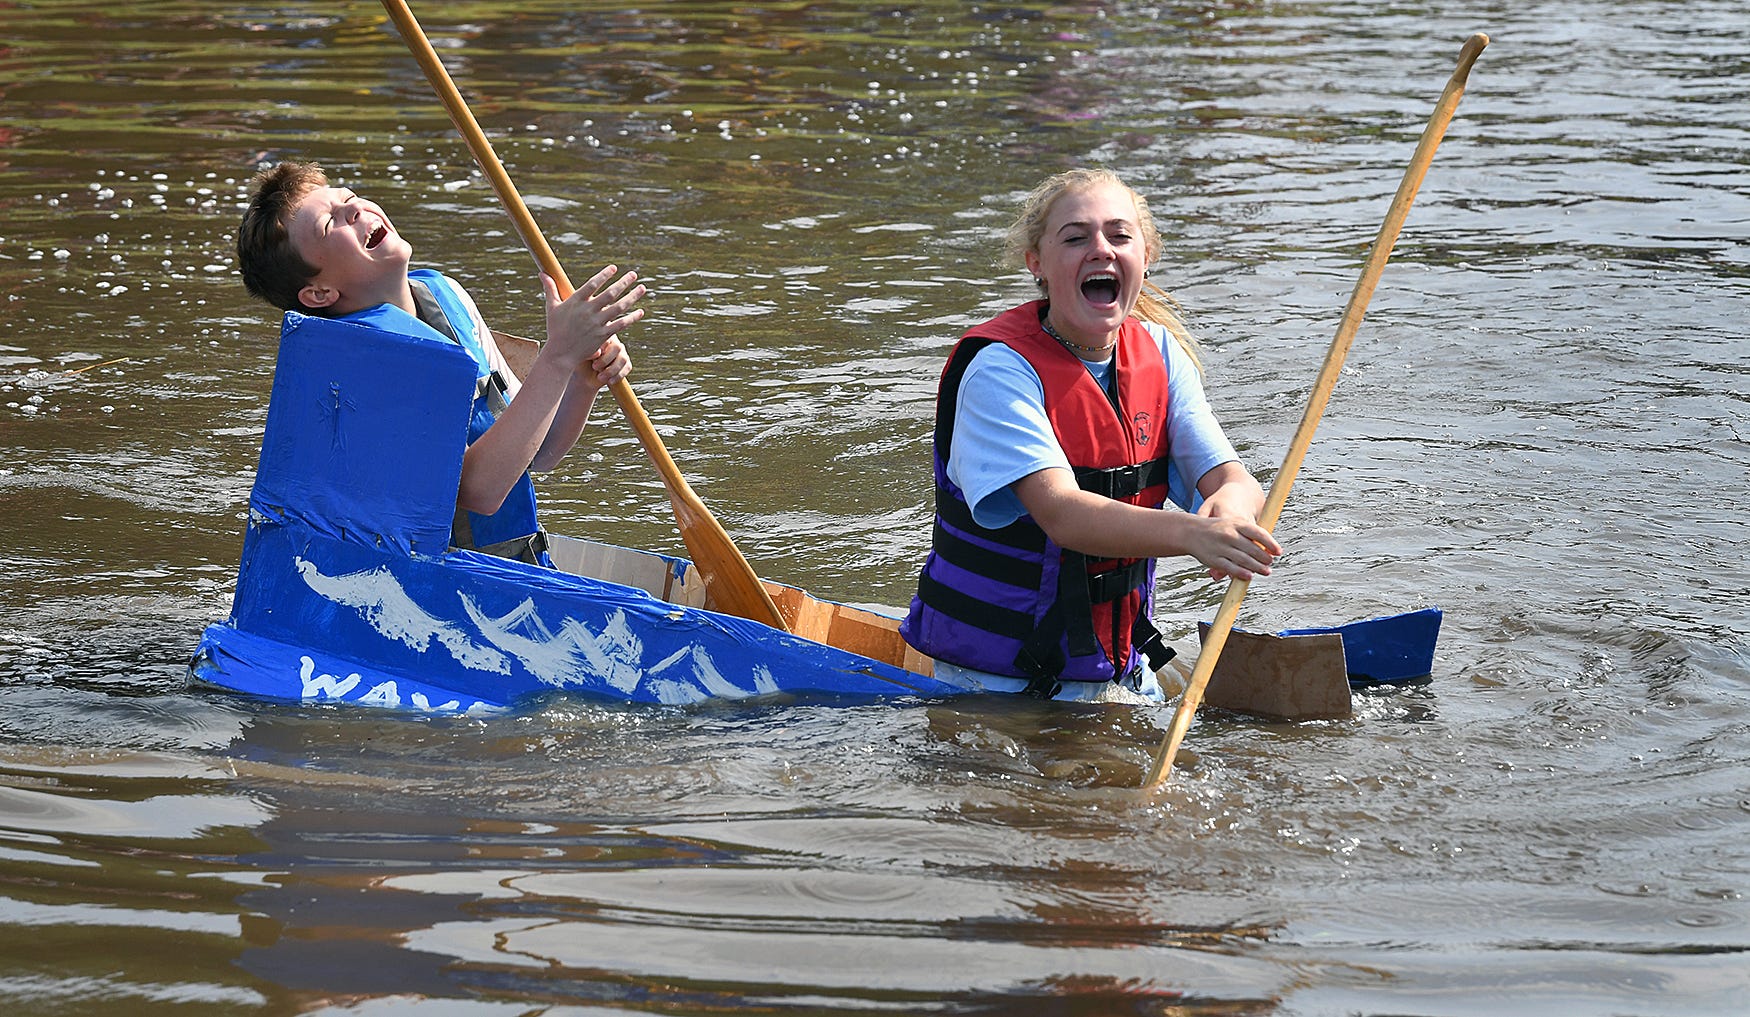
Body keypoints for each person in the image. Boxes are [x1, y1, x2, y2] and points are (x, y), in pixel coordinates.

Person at [900, 168, 1281, 703]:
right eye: (1076, 237)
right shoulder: (997, 370)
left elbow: (1228, 476)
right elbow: (1063, 514)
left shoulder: (1161, 353)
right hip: (997, 686)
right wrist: (1194, 536)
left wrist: (1232, 517)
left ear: (1145, 257)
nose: (1100, 249)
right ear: (1037, 263)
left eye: (1119, 236)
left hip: (1122, 674)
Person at [236, 161, 643, 565]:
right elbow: (480, 491)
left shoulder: (447, 295)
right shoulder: (359, 359)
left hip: (508, 564)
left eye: (350, 198)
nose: (355, 210)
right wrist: (558, 354)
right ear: (320, 292)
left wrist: (580, 377)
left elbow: (538, 452)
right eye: (330, 224)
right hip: (438, 584)